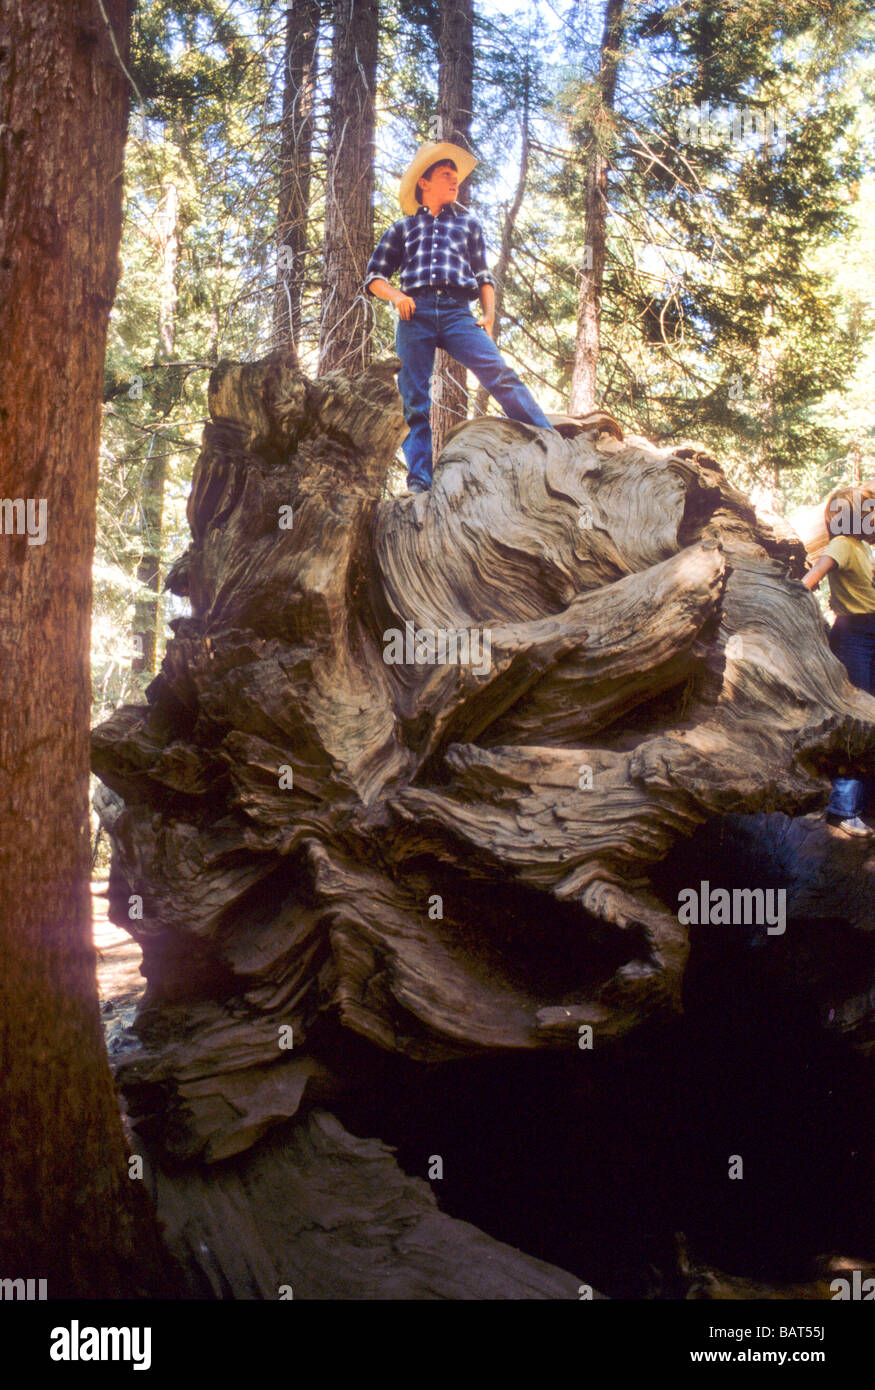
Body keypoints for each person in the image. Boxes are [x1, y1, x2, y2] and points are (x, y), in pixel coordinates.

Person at [363, 140, 557, 494]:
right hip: (414, 314)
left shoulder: (468, 224)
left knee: (499, 373)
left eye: (456, 177)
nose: (454, 182)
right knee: (414, 399)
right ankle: (419, 482)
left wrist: (489, 315)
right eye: (446, 176)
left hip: (457, 312)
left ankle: (552, 441)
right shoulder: (402, 228)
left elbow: (483, 275)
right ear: (425, 182)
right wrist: (397, 296)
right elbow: (374, 277)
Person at [802, 484, 875, 836]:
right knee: (858, 720)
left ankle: (862, 803)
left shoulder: (860, 547)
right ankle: (843, 810)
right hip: (855, 637)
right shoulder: (843, 544)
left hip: (870, 633)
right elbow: (811, 579)